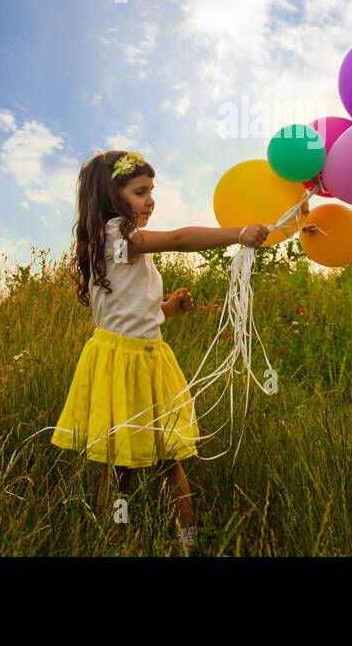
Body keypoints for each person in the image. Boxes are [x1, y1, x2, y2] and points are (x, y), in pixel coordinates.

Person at [52, 149, 270, 555]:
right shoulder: (115, 235)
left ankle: (187, 542)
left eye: (152, 190)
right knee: (118, 466)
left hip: (150, 359)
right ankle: (113, 544)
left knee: (171, 456)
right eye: (140, 191)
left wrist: (167, 308)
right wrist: (236, 234)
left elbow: (131, 309)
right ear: (111, 196)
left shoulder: (126, 241)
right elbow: (180, 239)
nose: (150, 199)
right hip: (121, 363)